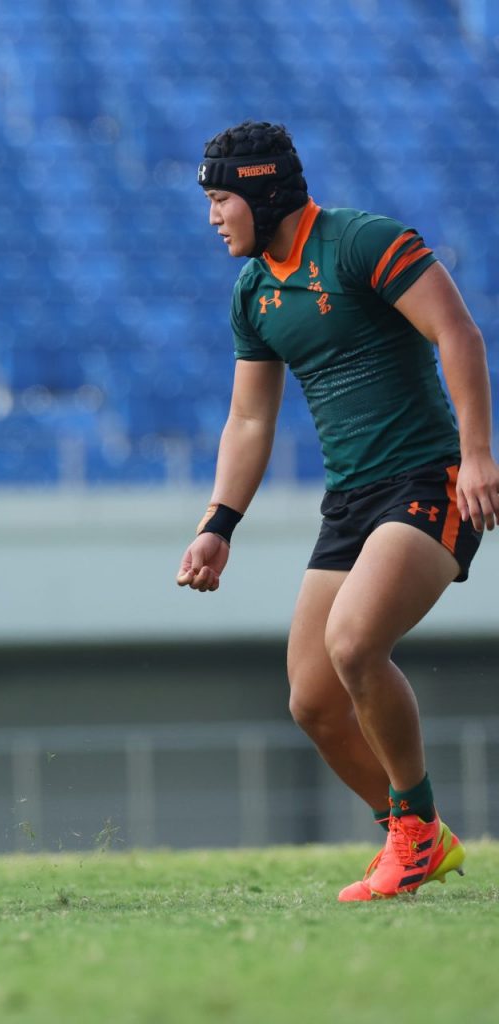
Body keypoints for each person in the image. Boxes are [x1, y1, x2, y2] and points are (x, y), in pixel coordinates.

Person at [178, 121, 499, 901]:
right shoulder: (252, 294)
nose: (214, 216)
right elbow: (249, 421)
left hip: (430, 477)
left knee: (354, 644)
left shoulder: (363, 242)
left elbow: (456, 331)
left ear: (261, 190)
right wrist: (218, 524)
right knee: (314, 700)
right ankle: (416, 835)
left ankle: (416, 833)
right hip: (351, 500)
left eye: (222, 198)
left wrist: (480, 454)